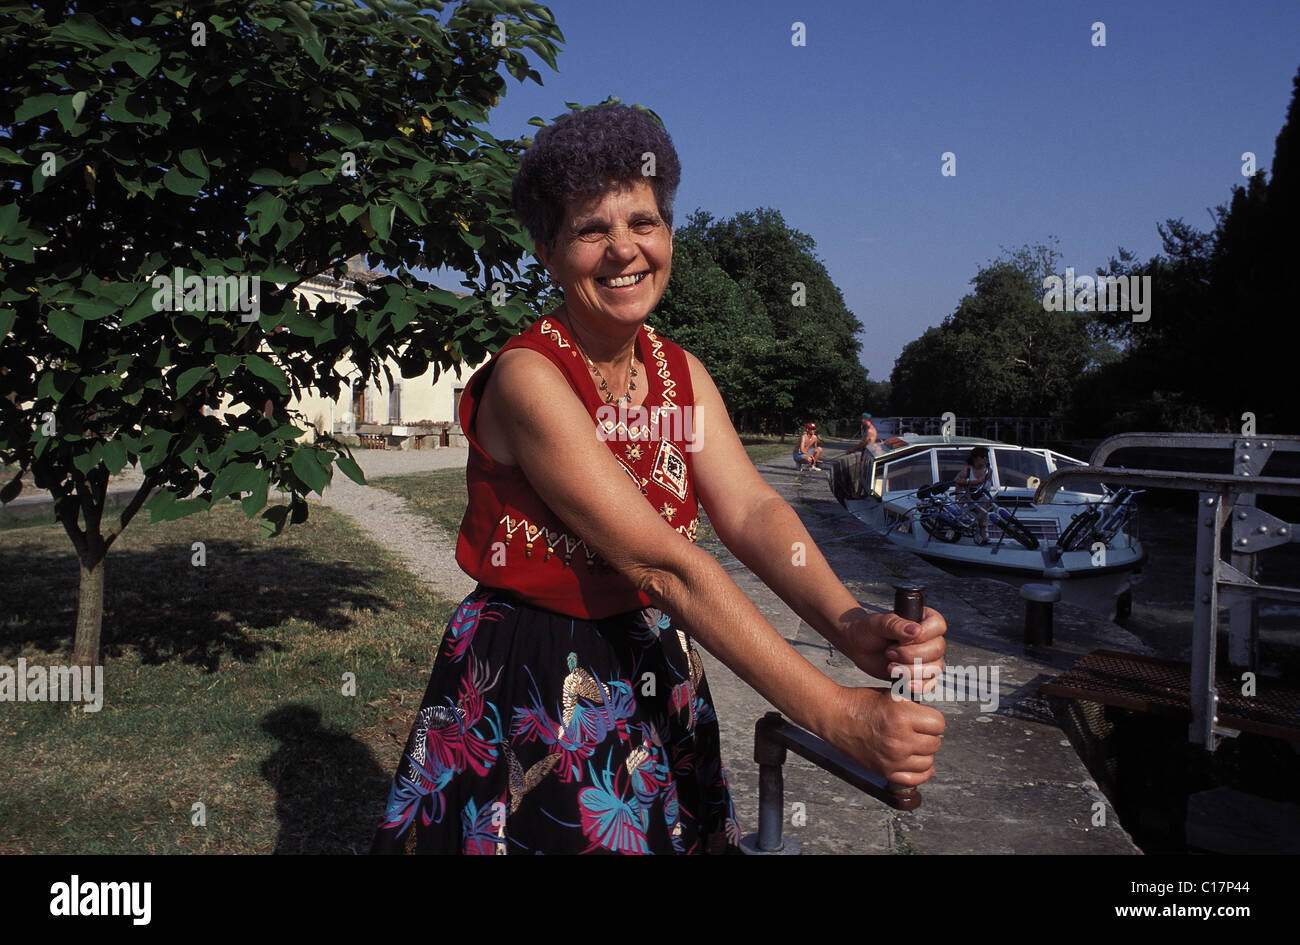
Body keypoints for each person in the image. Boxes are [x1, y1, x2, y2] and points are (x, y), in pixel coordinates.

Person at [370, 105, 946, 855]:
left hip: (653, 661)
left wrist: (849, 623)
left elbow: (752, 509)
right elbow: (661, 563)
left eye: (643, 222)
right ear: (547, 250)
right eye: (590, 229)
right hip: (540, 678)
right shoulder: (530, 377)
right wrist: (836, 713)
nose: (623, 251)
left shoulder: (682, 374)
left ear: (669, 232)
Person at [954, 446, 992, 544]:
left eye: (986, 457)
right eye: (983, 457)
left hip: (982, 496)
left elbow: (979, 481)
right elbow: (957, 480)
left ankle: (983, 535)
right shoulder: (967, 469)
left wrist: (966, 482)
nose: (985, 459)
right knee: (959, 509)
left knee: (982, 511)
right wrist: (960, 499)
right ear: (976, 458)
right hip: (969, 496)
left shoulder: (988, 470)